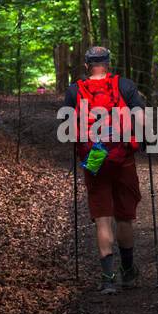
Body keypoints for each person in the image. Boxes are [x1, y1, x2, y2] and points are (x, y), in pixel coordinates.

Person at [64, 46, 146, 293]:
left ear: (87, 65)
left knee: (102, 218)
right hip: (122, 156)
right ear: (108, 63)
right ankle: (128, 273)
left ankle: (108, 278)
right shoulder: (126, 86)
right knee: (124, 217)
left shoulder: (75, 89)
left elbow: (69, 129)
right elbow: (140, 120)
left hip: (95, 158)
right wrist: (142, 142)